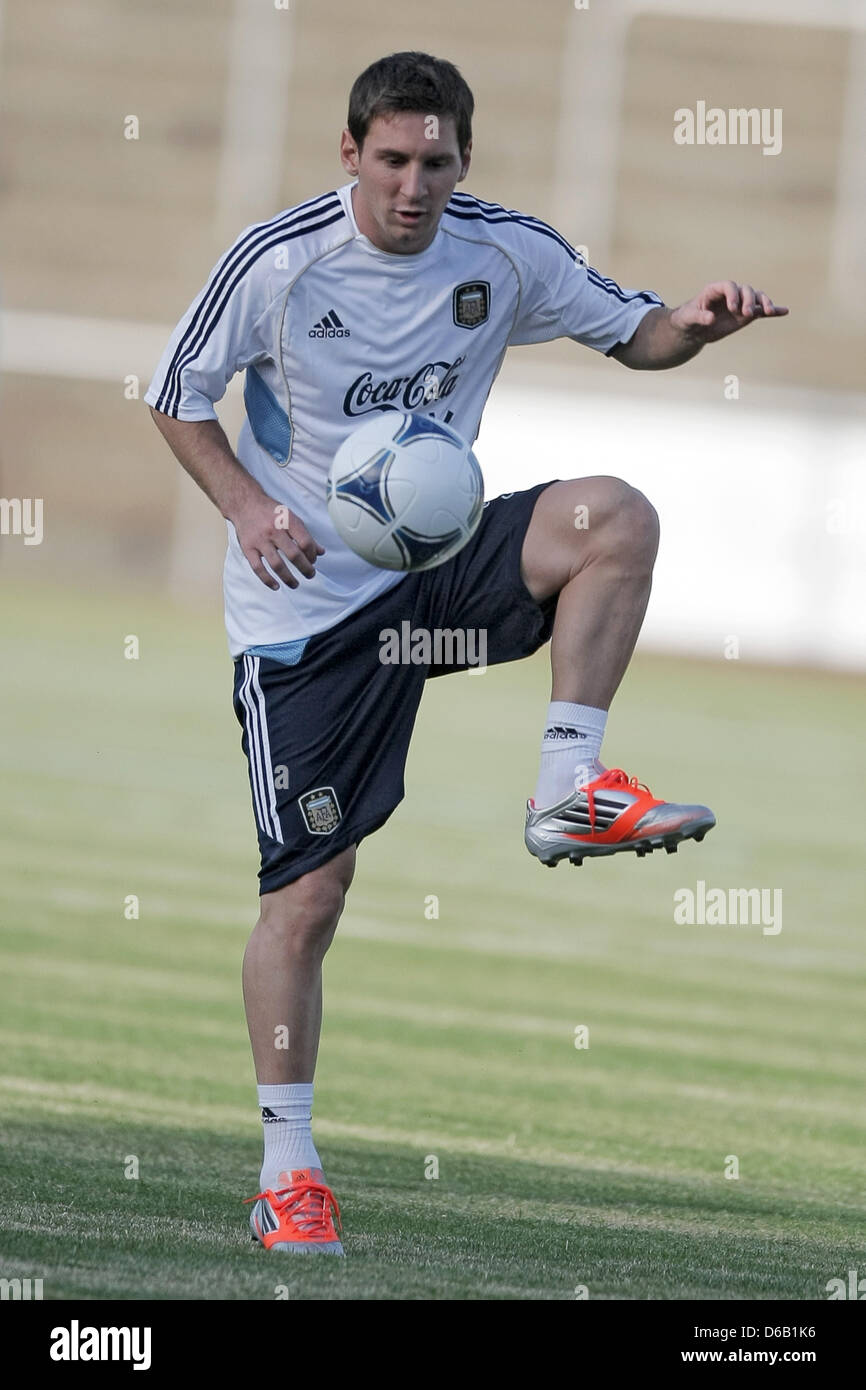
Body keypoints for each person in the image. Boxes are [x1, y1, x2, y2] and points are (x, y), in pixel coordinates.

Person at [145, 51, 787, 1257]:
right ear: (349, 156)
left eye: (434, 163)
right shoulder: (278, 262)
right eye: (389, 159)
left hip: (429, 569)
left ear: (462, 163)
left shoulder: (501, 250)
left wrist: (693, 328)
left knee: (615, 516)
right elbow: (178, 392)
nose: (412, 185)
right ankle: (290, 1175)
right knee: (307, 901)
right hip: (305, 618)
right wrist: (243, 506)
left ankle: (566, 785)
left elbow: (634, 335)